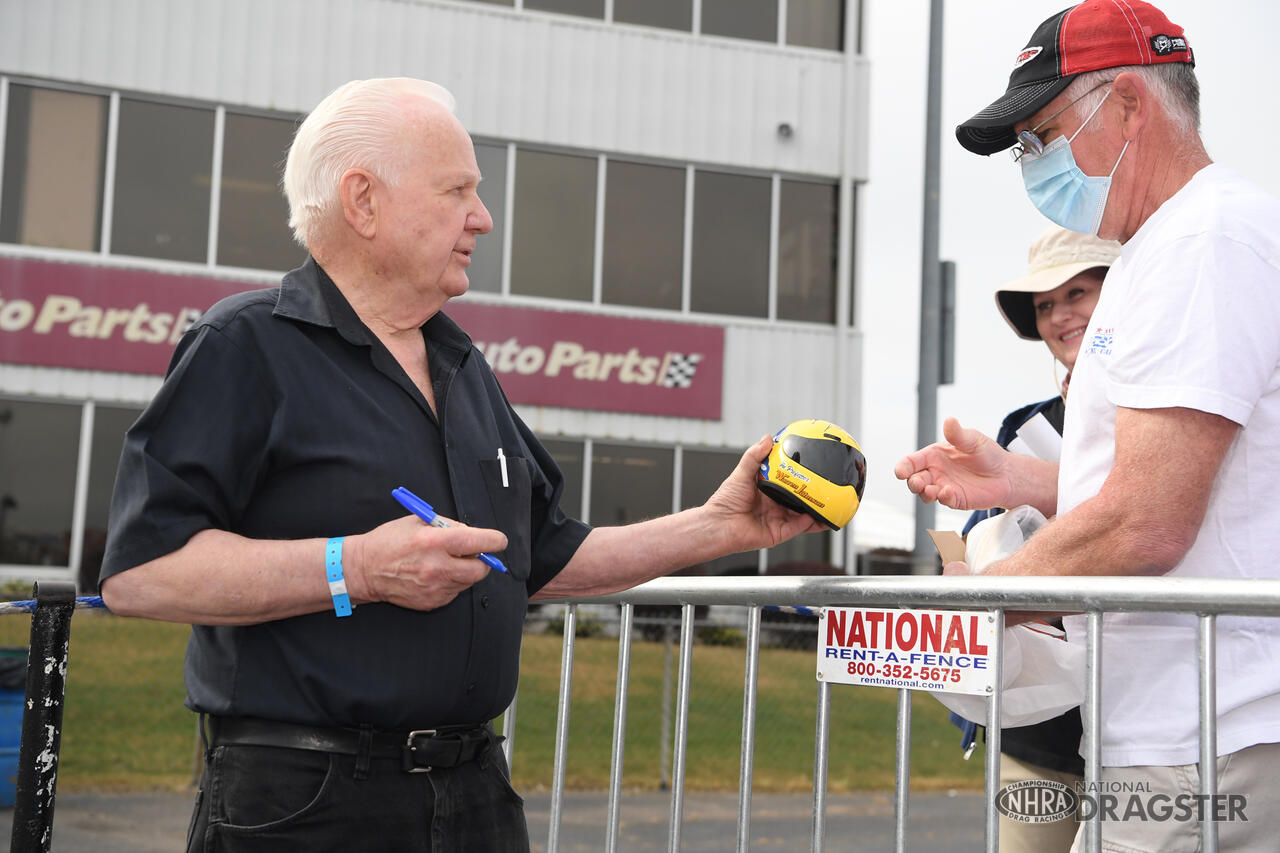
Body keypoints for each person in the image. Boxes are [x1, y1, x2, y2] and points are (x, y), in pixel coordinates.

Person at [98, 77, 822, 852]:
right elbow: (143, 573)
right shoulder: (244, 345)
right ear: (363, 201)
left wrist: (719, 525)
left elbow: (542, 557)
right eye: (458, 192)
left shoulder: (464, 365)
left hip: (475, 793)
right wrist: (361, 567)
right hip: (303, 804)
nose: (483, 217)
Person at [895, 2, 1280, 851]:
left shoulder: (1202, 243)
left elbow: (1148, 518)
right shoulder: (1169, 244)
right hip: (1179, 723)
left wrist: (991, 598)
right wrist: (1023, 481)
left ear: (1132, 104)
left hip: (1200, 729)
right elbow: (1190, 479)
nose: (1032, 161)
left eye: (1042, 134)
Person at [955, 225, 1119, 853]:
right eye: (1044, 305)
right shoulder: (1023, 427)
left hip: (1160, 726)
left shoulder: (1183, 414)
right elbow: (982, 542)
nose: (1060, 315)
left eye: (1077, 292)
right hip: (1041, 729)